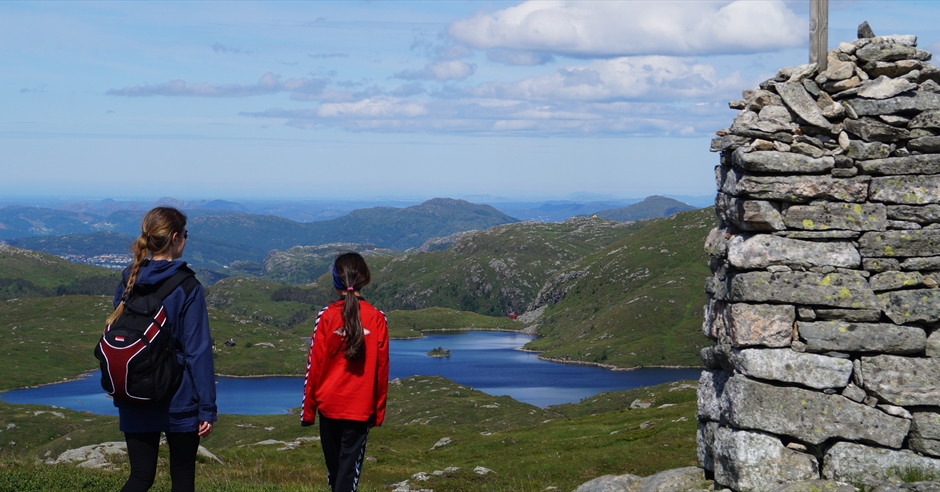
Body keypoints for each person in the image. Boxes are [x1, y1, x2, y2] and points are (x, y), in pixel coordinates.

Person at [107, 206, 217, 492]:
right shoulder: (188, 286)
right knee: (182, 478)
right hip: (178, 399)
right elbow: (197, 352)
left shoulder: (129, 279)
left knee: (140, 476)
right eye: (186, 235)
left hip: (135, 394)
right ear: (175, 237)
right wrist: (207, 408)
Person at [302, 252, 390, 492]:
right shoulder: (377, 319)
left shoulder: (327, 316)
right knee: (347, 474)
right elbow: (381, 372)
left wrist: (308, 412)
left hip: (328, 407)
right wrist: (378, 412)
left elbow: (314, 367)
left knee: (336, 473)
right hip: (360, 410)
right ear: (365, 279)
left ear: (335, 280)